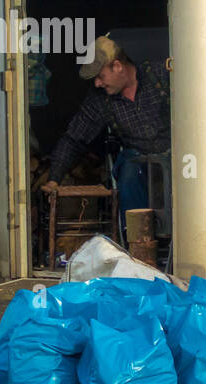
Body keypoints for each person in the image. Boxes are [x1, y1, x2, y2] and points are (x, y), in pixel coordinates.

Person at [41, 36, 171, 236]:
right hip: (139, 161)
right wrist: (54, 179)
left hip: (176, 156)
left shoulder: (161, 76)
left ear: (117, 66)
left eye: (100, 76)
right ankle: (139, 244)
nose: (97, 83)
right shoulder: (101, 101)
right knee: (128, 173)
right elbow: (74, 138)